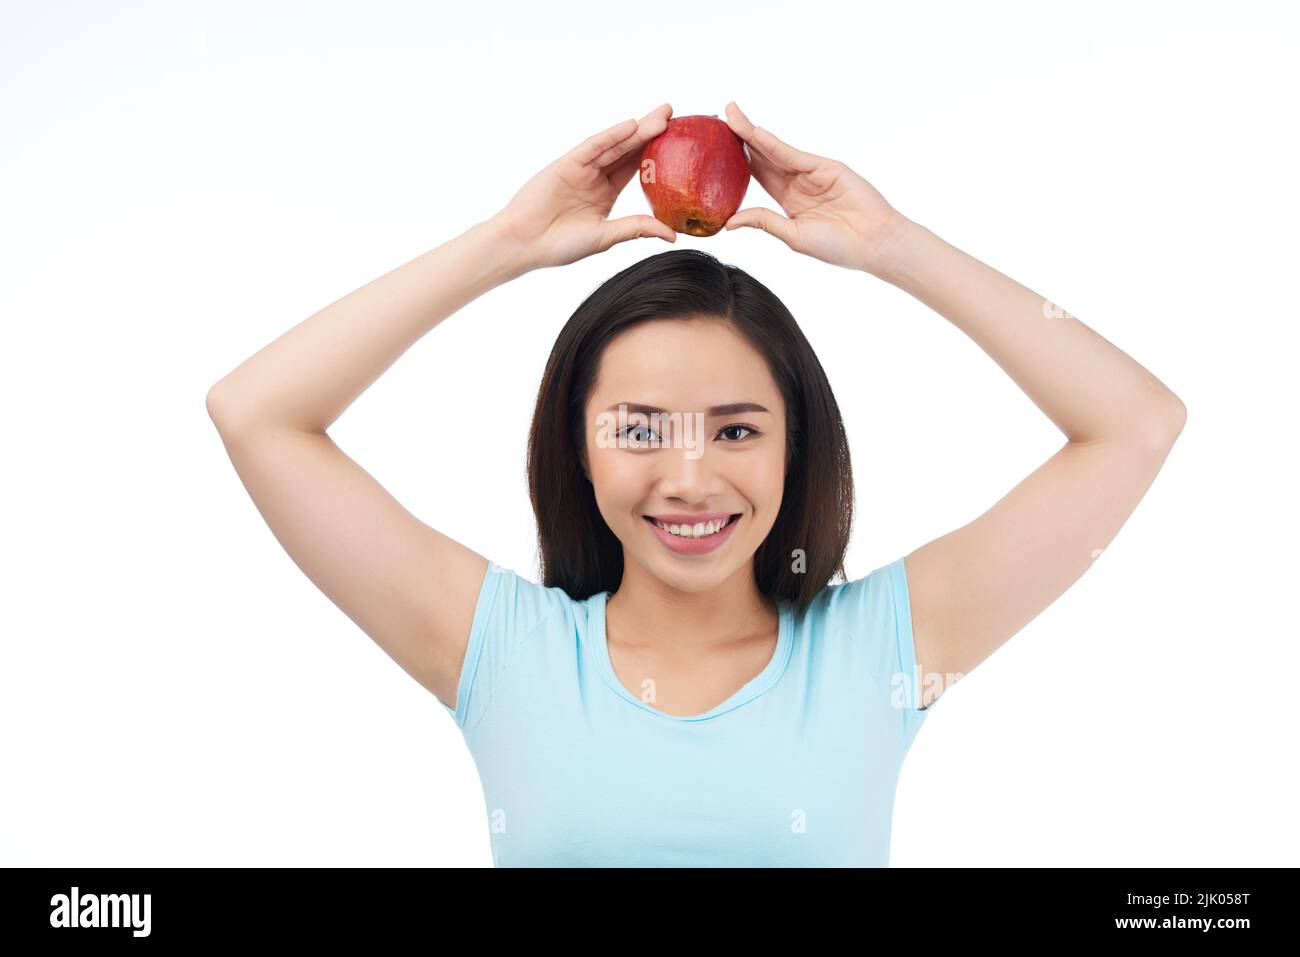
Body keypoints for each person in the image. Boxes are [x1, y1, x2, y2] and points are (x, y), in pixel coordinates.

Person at [206, 101, 1186, 866]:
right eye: (638, 428)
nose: (688, 477)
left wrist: (893, 246)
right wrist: (505, 244)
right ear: (575, 447)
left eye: (735, 429)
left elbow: (1136, 425)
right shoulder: (497, 651)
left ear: (796, 449)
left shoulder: (887, 650)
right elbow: (255, 412)